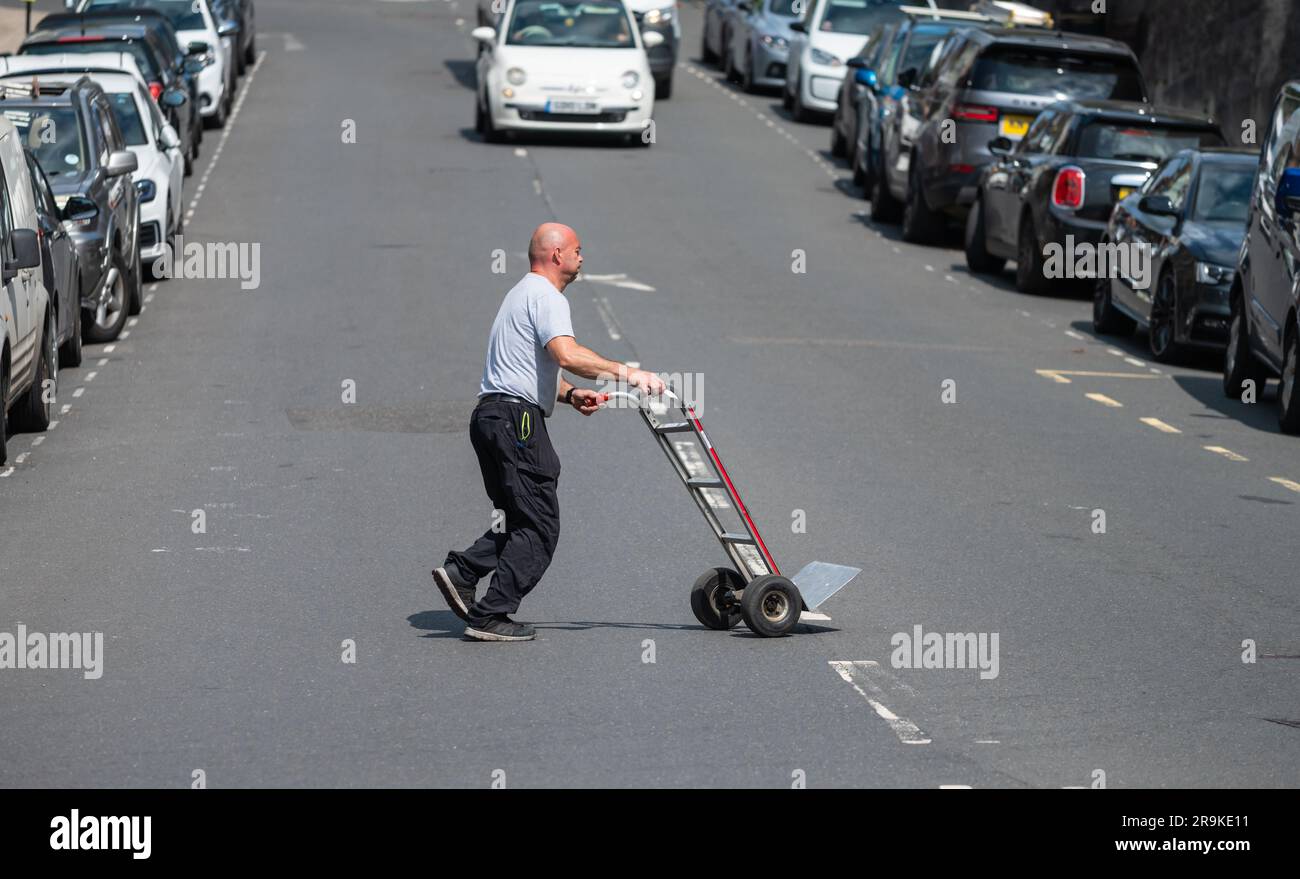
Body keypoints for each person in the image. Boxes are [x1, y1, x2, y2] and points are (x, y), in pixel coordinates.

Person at [433, 223, 666, 642]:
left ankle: (464, 571)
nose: (583, 256)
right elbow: (566, 354)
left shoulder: (519, 295)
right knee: (539, 523)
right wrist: (628, 373)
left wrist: (571, 394)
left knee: (519, 515)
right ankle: (491, 613)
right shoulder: (546, 297)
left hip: (491, 416)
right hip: (517, 421)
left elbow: (524, 369)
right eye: (578, 249)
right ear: (557, 255)